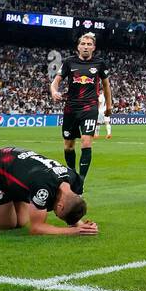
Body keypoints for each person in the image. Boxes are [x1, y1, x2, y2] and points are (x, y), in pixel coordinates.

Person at [0, 147, 96, 236]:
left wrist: (81, 225)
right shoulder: (43, 187)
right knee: (4, 225)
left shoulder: (74, 181)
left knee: (20, 222)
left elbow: (71, 205)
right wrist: (72, 232)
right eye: (58, 213)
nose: (55, 214)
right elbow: (36, 228)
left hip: (15, 173)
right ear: (60, 206)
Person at [49, 33, 109, 182]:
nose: (86, 46)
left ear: (94, 47)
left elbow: (106, 86)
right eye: (83, 44)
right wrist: (54, 91)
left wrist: (110, 105)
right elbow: (55, 81)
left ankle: (80, 180)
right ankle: (72, 174)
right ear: (78, 47)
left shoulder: (99, 63)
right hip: (71, 108)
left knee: (86, 141)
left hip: (90, 107)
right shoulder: (69, 62)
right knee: (69, 145)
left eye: (89, 44)